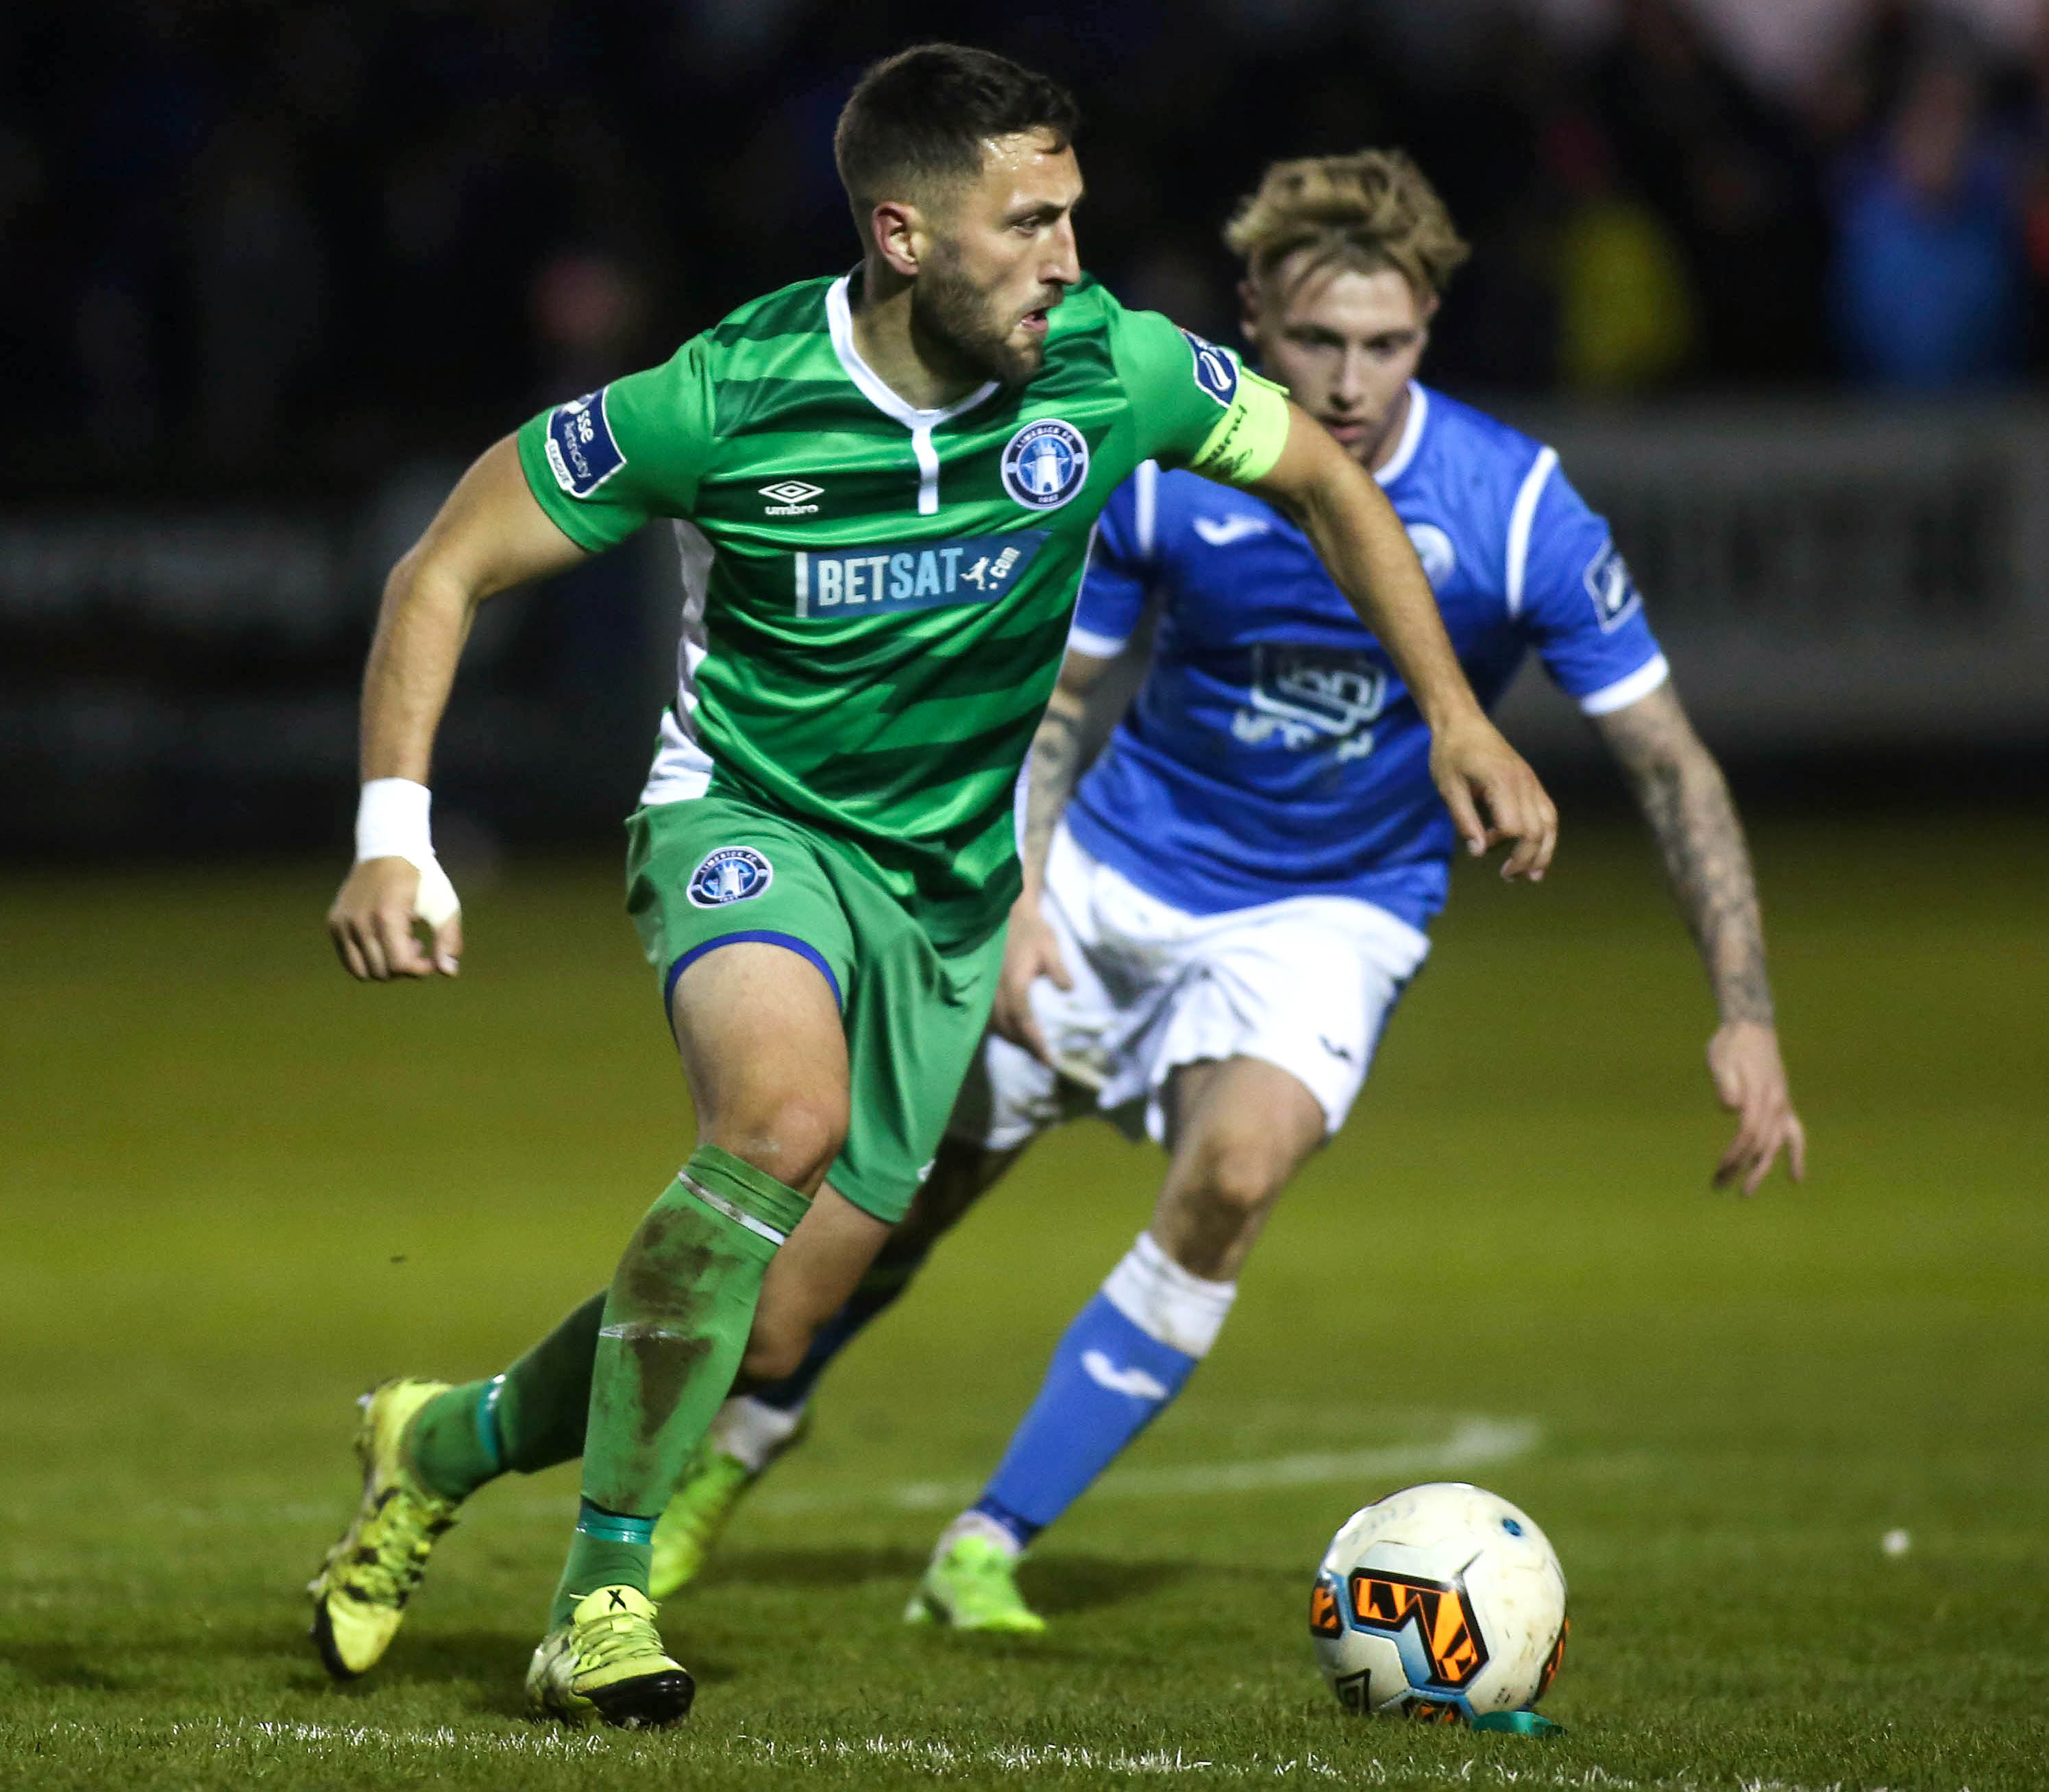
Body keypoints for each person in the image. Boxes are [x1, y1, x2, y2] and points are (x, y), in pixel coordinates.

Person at [307, 55, 1556, 1730]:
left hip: (946, 888)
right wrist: (397, 829)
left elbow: (1329, 484)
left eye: (1072, 217)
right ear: (902, 233)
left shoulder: (1109, 368)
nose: (1065, 256)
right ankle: (598, 1597)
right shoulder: (726, 395)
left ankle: (436, 1441)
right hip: (745, 820)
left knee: (763, 1328)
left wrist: (1459, 719)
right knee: (774, 1121)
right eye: (1026, 222)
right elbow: (443, 562)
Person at [647, 147, 1806, 1634]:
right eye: (1317, 341)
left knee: (1238, 1174)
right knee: (890, 1211)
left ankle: (988, 1544)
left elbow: (1671, 766)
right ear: (1254, 319)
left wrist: (1745, 1013)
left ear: (1429, 328)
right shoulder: (1176, 472)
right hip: (1111, 875)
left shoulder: (1516, 511)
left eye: (1383, 344)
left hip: (1329, 914)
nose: (1347, 379)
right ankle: (728, 1457)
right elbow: (1053, 708)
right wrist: (1021, 892)